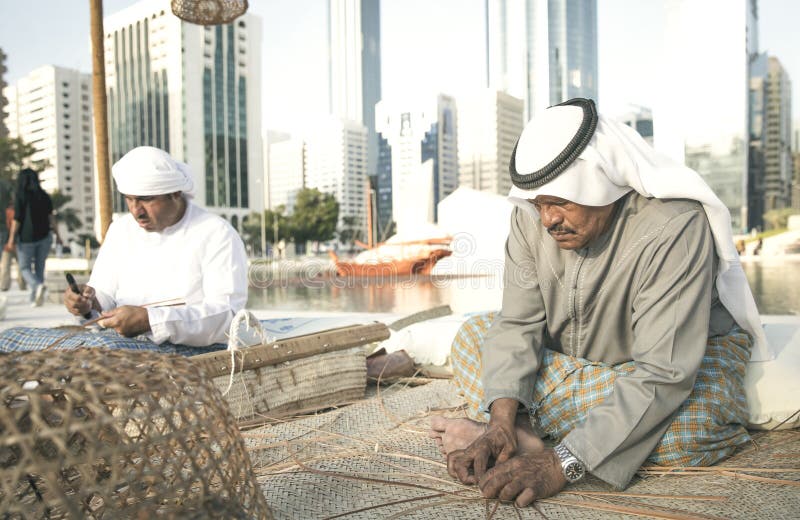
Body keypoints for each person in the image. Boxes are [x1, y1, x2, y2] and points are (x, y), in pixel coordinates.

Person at [430, 98, 771, 506]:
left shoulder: (674, 226)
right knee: (471, 337)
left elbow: (664, 374)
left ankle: (547, 437)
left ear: (602, 180)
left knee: (697, 425)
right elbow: (518, 324)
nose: (547, 220)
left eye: (559, 201)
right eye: (538, 203)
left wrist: (558, 465)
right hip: (584, 368)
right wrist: (501, 422)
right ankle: (549, 430)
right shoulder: (529, 219)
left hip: (671, 366)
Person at [62, 146, 248, 347]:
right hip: (123, 345)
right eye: (129, 199)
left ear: (175, 193)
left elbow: (227, 314)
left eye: (146, 199)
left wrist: (150, 320)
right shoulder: (121, 230)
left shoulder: (216, 233)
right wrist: (87, 302)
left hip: (195, 352)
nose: (136, 211)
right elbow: (103, 293)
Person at [6, 168, 61, 306]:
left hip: (26, 239)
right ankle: (35, 298)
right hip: (44, 237)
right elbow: (51, 217)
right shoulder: (44, 195)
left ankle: (36, 286)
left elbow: (17, 219)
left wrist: (11, 238)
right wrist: (58, 235)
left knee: (24, 268)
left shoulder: (20, 195)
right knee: (39, 267)